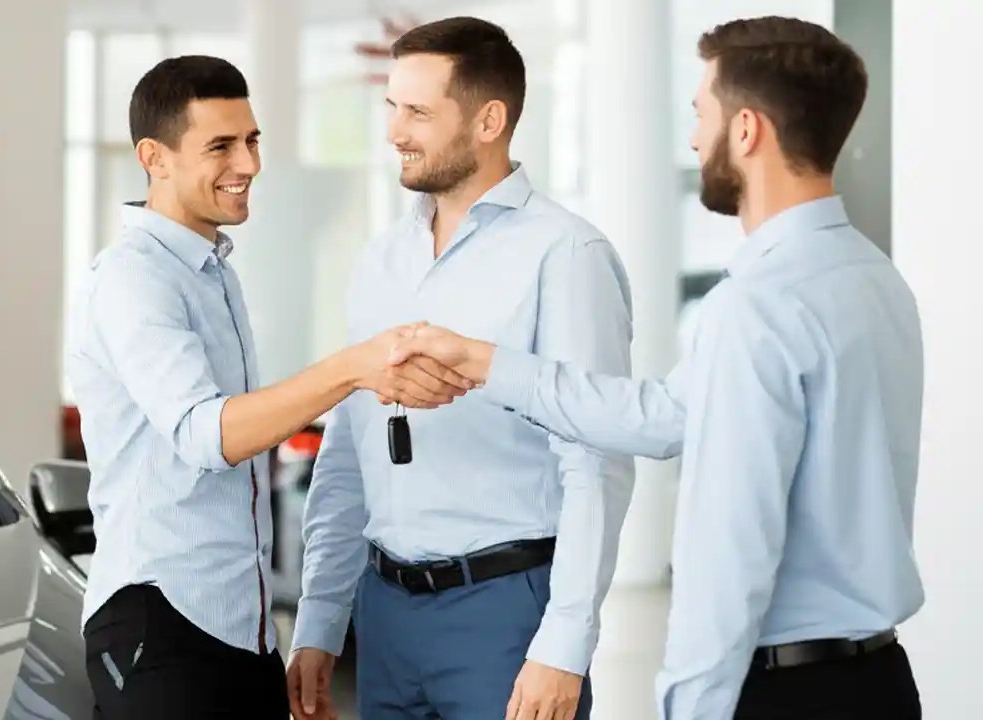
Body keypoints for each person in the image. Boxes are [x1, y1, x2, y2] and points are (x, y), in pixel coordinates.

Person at [390, 16, 924, 720]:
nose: (694, 137)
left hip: (784, 691)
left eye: (701, 113)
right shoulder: (873, 277)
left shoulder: (754, 309)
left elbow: (728, 562)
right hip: (879, 681)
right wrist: (492, 365)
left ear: (747, 131)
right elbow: (667, 416)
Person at [65, 55, 472, 719]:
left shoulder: (213, 272)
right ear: (154, 157)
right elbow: (207, 434)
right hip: (162, 624)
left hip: (240, 631)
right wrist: (353, 366)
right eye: (220, 146)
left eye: (251, 141)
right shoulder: (132, 280)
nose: (248, 164)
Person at [287, 17, 635, 720]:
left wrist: (564, 644)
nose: (394, 131)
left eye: (417, 111)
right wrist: (321, 621)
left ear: (489, 120)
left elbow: (596, 460)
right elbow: (348, 455)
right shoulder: (381, 259)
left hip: (506, 617)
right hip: (383, 618)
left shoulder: (565, 255)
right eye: (391, 107)